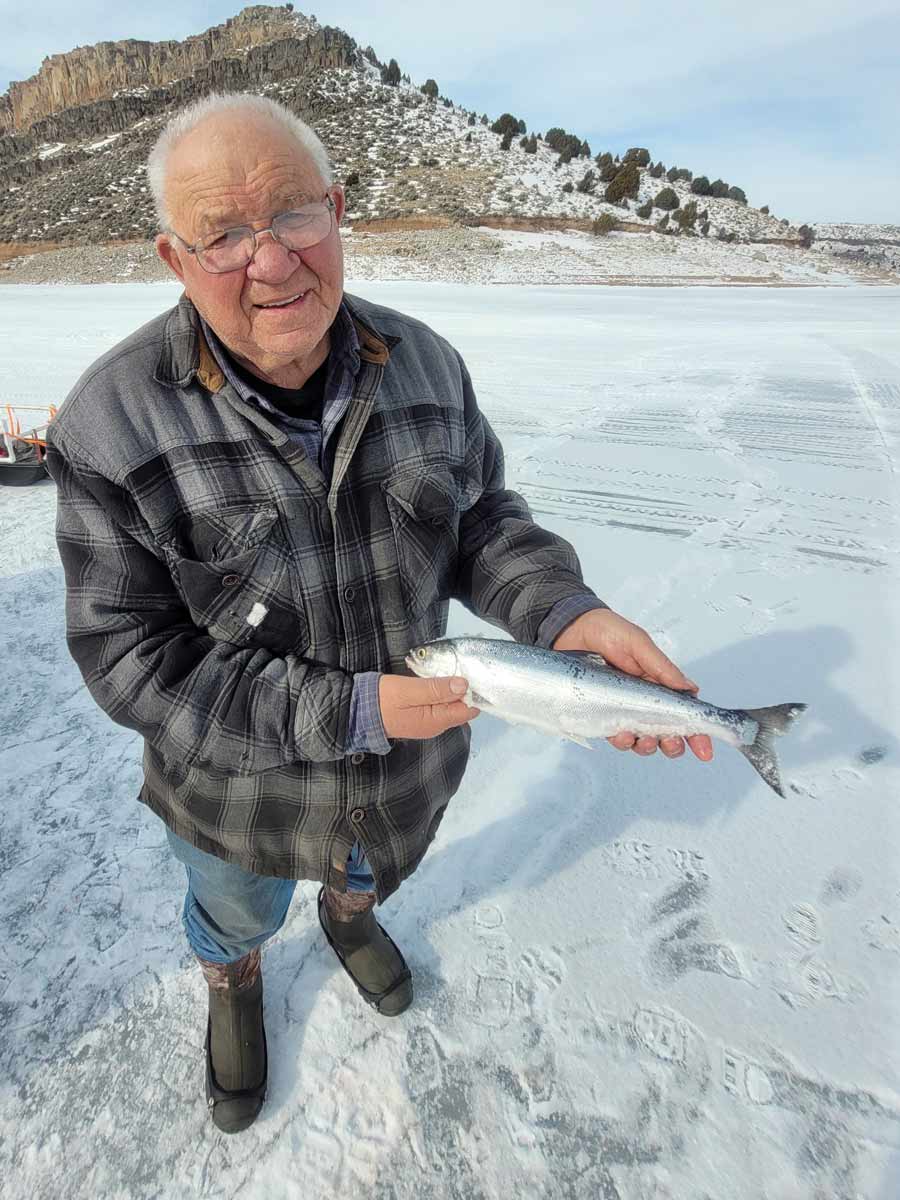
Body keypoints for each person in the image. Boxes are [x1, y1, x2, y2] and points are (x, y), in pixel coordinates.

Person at [45, 93, 712, 1134]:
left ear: (339, 212)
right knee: (234, 909)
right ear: (175, 260)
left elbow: (483, 521)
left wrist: (564, 613)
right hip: (239, 801)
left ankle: (351, 921)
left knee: (371, 875)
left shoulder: (429, 365)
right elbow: (131, 659)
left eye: (293, 216)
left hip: (407, 778)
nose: (270, 261)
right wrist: (353, 710)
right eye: (222, 234)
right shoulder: (112, 420)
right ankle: (233, 978)